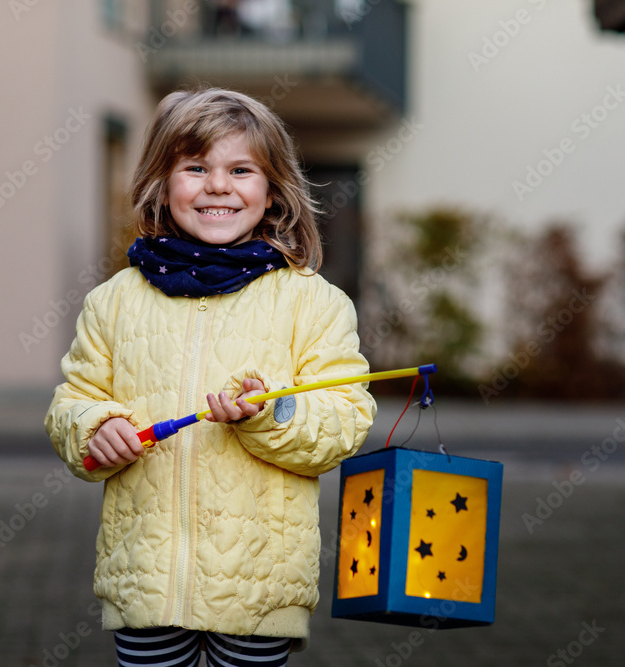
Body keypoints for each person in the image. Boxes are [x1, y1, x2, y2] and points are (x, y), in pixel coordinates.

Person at [45, 87, 377, 667]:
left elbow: (343, 423)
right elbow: (73, 400)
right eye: (195, 167)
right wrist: (95, 428)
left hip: (258, 583)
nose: (218, 185)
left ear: (273, 191)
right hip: (146, 580)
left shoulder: (313, 304)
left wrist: (272, 414)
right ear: (160, 183)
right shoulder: (113, 302)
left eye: (241, 169)